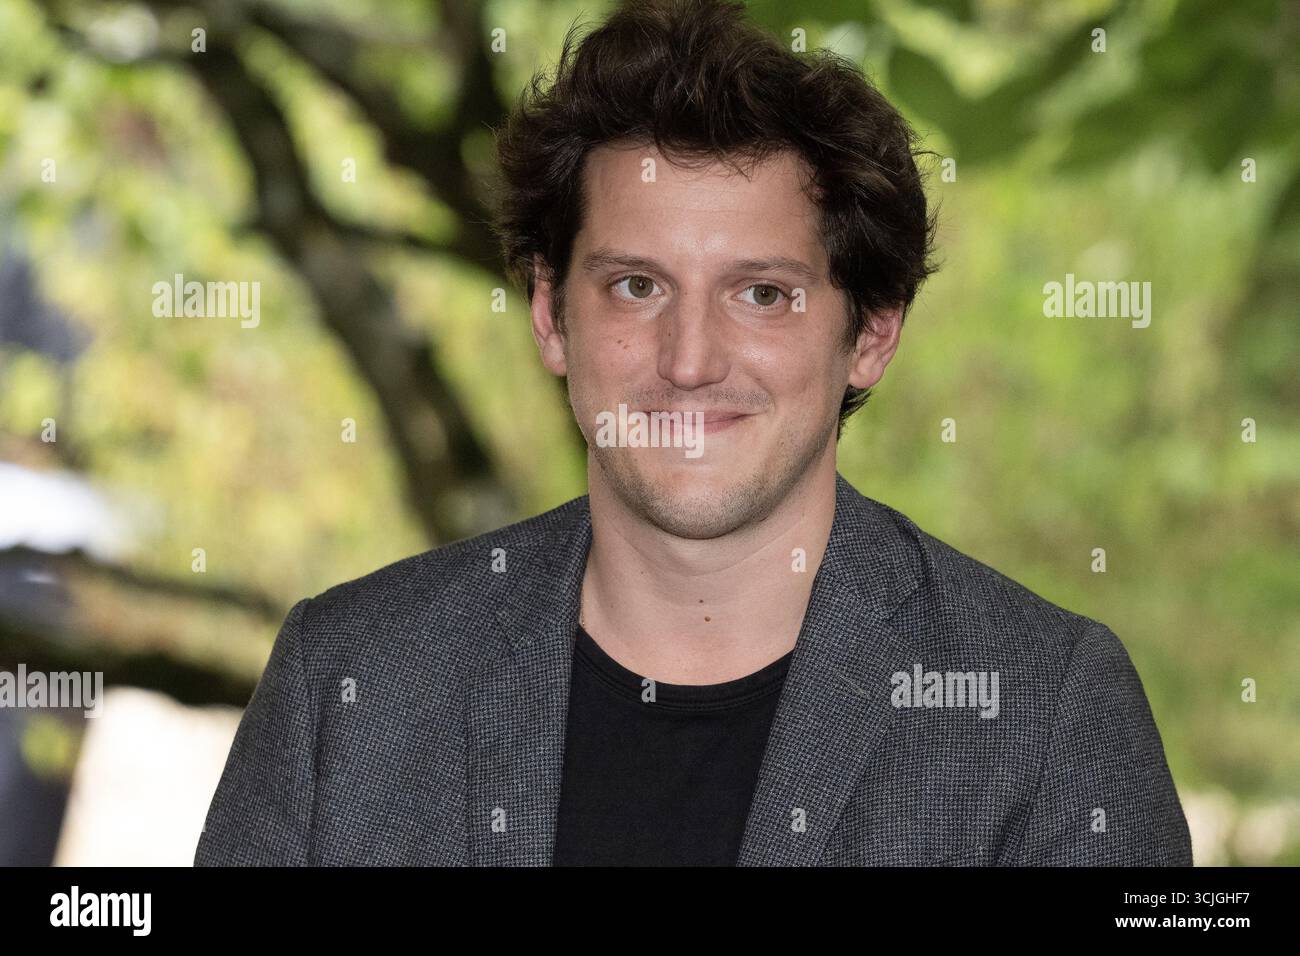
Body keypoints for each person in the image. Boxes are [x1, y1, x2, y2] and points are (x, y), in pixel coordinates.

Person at [195, 0, 1192, 866]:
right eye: (637, 285)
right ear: (551, 314)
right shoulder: (349, 679)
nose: (688, 357)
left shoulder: (1044, 712)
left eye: (763, 293)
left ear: (870, 335)